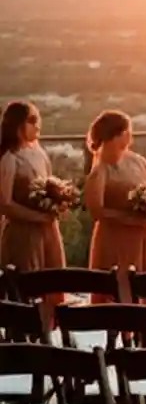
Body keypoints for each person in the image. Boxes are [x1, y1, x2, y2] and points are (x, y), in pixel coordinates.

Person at [84, 110, 146, 304]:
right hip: (116, 240)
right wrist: (127, 219)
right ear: (114, 135)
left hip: (145, 235)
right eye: (126, 132)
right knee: (120, 289)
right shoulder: (100, 169)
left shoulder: (139, 162)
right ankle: (124, 331)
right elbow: (97, 210)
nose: (130, 136)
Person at [0, 100, 64, 274]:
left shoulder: (40, 154)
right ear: (18, 125)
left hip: (48, 230)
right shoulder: (10, 158)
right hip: (24, 234)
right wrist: (37, 217)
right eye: (32, 120)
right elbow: (5, 203)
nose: (37, 126)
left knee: (53, 278)